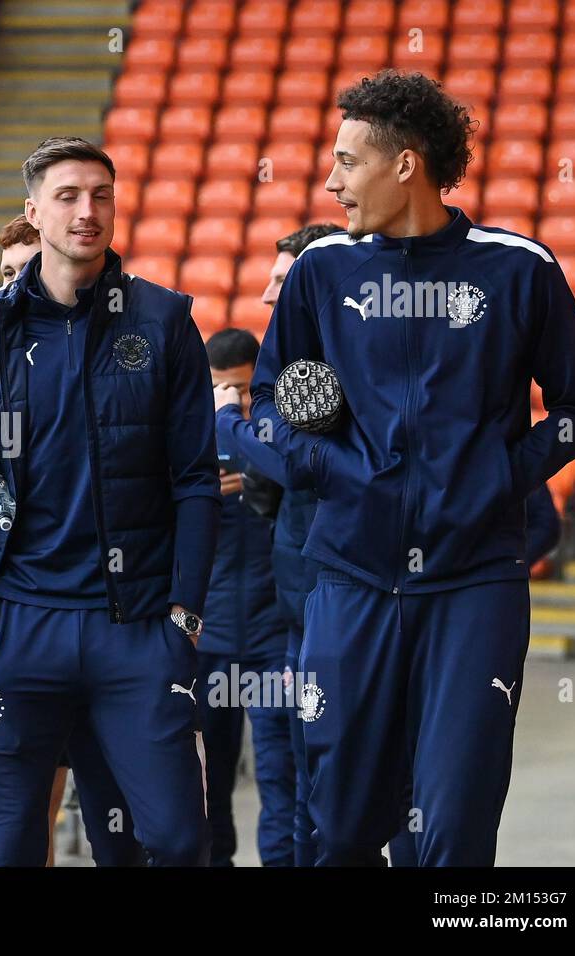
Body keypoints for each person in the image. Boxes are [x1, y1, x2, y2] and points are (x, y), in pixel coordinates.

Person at [248, 70, 575, 865]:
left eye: (347, 161)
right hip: (349, 580)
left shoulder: (518, 268)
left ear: (404, 165)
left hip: (473, 583)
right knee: (338, 829)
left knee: (451, 831)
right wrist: (333, 469)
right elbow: (269, 403)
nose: (332, 182)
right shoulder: (323, 271)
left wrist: (495, 478)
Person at [0, 137, 220, 866]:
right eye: (67, 196)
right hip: (17, 624)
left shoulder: (162, 322)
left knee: (178, 839)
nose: (87, 211)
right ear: (33, 213)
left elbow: (194, 479)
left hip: (135, 626)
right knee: (3, 848)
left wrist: (184, 612)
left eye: (101, 194)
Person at [217, 222, 338, 867]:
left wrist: (228, 426)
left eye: (282, 281)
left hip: (335, 616)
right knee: (295, 786)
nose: (267, 296)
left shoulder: (331, 368)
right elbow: (280, 490)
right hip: (297, 616)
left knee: (324, 793)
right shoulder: (292, 369)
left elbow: (298, 468)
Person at [200, 328, 296, 867]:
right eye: (220, 390)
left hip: (272, 638)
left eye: (240, 388)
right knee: (207, 780)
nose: (230, 401)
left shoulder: (285, 435)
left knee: (279, 774)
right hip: (205, 640)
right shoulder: (186, 435)